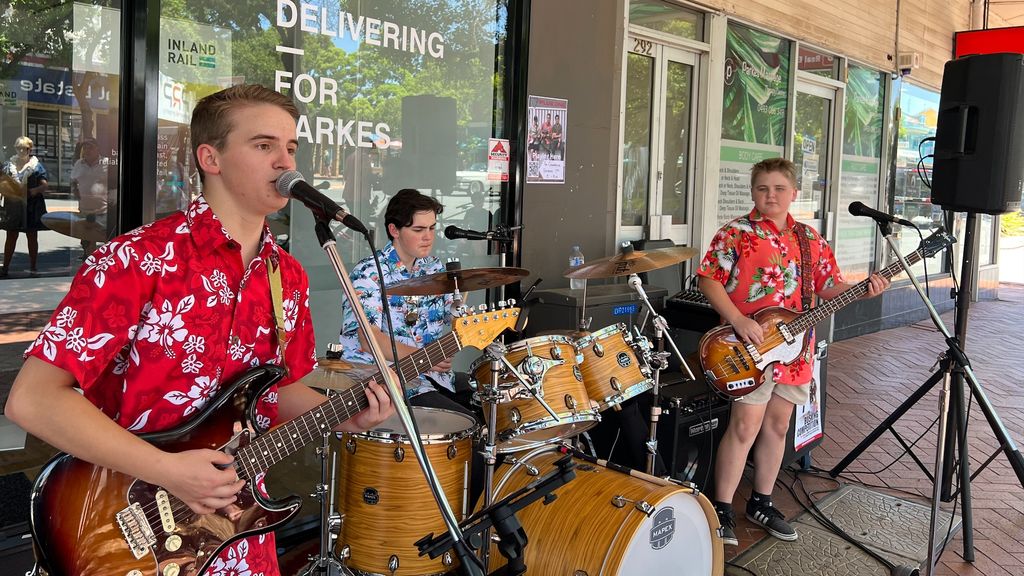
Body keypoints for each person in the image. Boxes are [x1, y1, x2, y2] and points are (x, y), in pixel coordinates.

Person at [5, 84, 394, 575]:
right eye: (264, 145)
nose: (285, 162)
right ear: (211, 158)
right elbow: (33, 399)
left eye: (291, 147)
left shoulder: (288, 276)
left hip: (239, 537)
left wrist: (344, 416)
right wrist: (167, 470)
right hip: (121, 531)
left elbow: (277, 392)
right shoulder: (137, 259)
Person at [696, 157, 889, 546]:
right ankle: (722, 508)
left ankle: (762, 502)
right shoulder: (736, 233)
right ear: (753, 192)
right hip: (750, 346)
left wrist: (863, 290)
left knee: (779, 426)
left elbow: (830, 286)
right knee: (745, 426)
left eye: (779, 188)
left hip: (796, 349)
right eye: (762, 188)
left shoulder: (810, 238)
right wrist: (738, 320)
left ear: (794, 193)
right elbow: (709, 280)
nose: (771, 195)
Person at [339, 188, 471, 415]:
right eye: (418, 229)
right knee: (465, 422)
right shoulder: (368, 272)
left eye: (432, 228)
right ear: (394, 230)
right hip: (384, 382)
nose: (428, 237)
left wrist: (465, 315)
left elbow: (453, 314)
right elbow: (368, 339)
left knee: (488, 405)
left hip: (432, 377)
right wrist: (427, 358)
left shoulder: (434, 267)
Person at [1, 136, 49, 277]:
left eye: (25, 148)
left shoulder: (36, 165)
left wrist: (33, 191)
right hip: (13, 206)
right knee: (11, 235)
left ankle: (33, 267)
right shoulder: (8, 165)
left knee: (32, 236)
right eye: (19, 148)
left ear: (30, 149)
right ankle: (5, 268)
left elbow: (44, 185)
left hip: (31, 206)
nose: (21, 151)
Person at [69, 137, 109, 257]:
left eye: (90, 147)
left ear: (97, 149)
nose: (87, 150)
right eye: (85, 148)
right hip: (85, 210)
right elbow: (73, 180)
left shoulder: (107, 163)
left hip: (104, 211)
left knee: (107, 242)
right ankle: (89, 264)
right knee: (87, 242)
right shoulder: (78, 164)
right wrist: (75, 190)